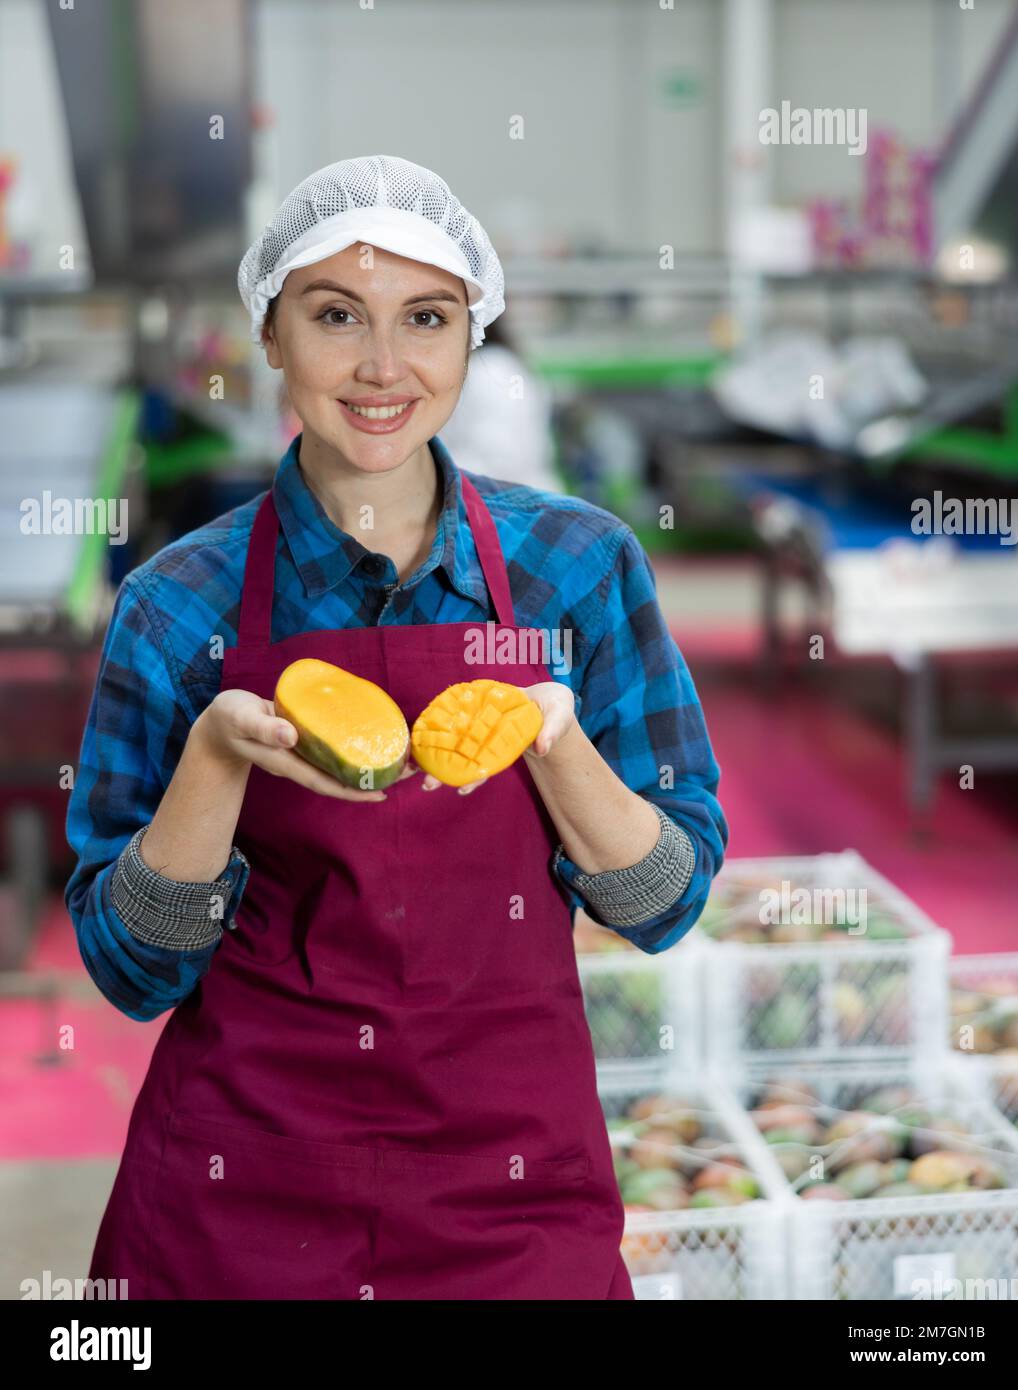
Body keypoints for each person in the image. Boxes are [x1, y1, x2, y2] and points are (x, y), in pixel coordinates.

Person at [66, 155, 727, 1301]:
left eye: (426, 318)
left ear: (475, 337)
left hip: (510, 1184)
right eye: (335, 316)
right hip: (243, 1191)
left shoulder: (576, 569)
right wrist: (216, 763)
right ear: (270, 335)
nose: (383, 367)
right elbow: (131, 972)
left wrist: (558, 743)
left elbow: (664, 904)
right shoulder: (177, 606)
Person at [436, 314, 565, 492]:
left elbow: (504, 457)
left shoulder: (493, 369)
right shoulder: (495, 364)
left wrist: (428, 469)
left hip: (511, 501)